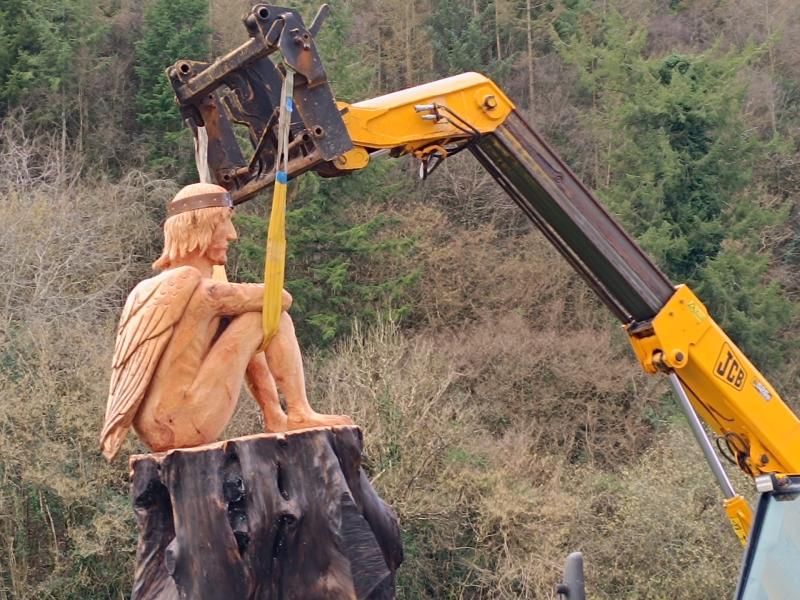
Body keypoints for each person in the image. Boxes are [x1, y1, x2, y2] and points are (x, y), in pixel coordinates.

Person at [100, 182, 351, 461]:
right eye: (225, 222)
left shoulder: (146, 288)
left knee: (241, 323)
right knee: (266, 317)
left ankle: (276, 415)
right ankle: (298, 411)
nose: (232, 235)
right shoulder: (198, 287)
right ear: (203, 227)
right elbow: (279, 299)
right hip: (182, 423)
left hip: (158, 425)